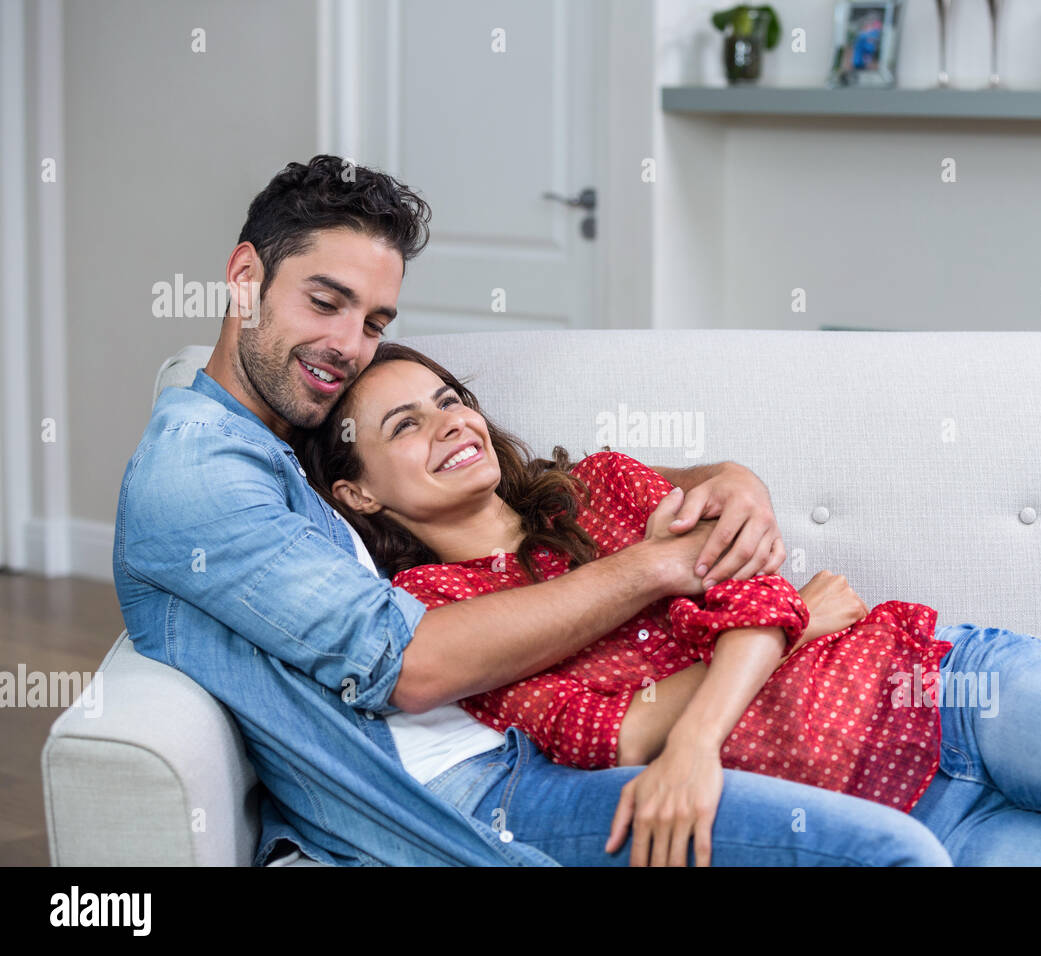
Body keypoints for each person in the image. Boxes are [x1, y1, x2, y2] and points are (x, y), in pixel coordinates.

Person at [112, 154, 952, 867]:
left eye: (374, 321)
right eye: (323, 302)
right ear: (244, 277)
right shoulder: (200, 474)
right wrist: (655, 564)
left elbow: (529, 486)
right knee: (894, 853)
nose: (346, 346)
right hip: (473, 798)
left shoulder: (288, 425)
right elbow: (410, 668)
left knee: (960, 830)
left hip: (527, 751)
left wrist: (721, 473)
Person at [297, 344, 1041, 866]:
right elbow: (609, 730)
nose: (448, 422)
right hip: (910, 817)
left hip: (939, 692)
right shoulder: (430, 610)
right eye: (404, 423)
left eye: (448, 398)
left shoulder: (596, 483)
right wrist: (784, 628)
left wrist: (699, 733)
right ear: (358, 493)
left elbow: (751, 590)